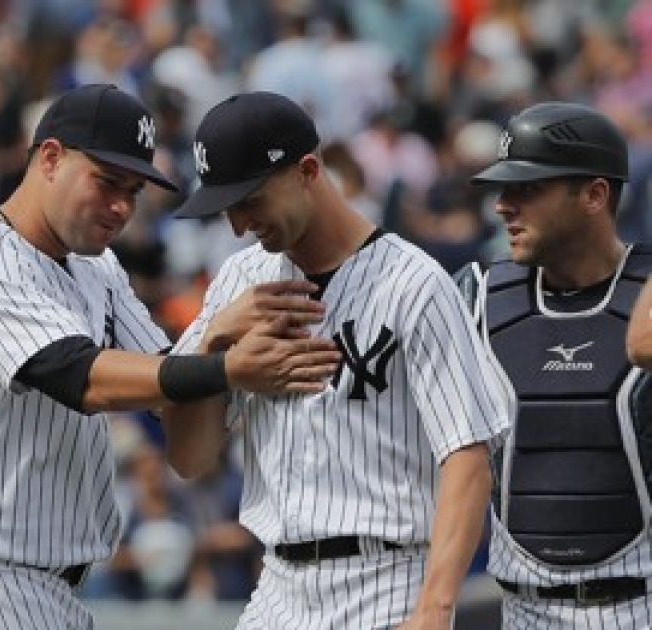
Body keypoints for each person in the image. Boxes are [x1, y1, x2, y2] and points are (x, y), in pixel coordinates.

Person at [0, 83, 343, 630]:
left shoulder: (95, 266)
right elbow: (82, 378)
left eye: (133, 190)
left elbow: (164, 378)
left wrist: (216, 338)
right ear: (50, 158)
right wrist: (227, 366)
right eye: (107, 181)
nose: (122, 207)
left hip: (50, 589)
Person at [160, 92, 510, 629]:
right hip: (277, 587)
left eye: (249, 200)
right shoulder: (239, 280)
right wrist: (212, 345)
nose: (238, 224)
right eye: (226, 207)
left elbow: (467, 454)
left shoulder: (413, 282)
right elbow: (190, 460)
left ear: (307, 171)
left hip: (385, 579)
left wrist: (435, 607)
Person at [466, 101, 652, 629]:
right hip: (522, 610)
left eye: (527, 189)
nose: (503, 206)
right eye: (503, 189)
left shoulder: (648, 293)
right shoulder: (475, 298)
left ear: (595, 195)